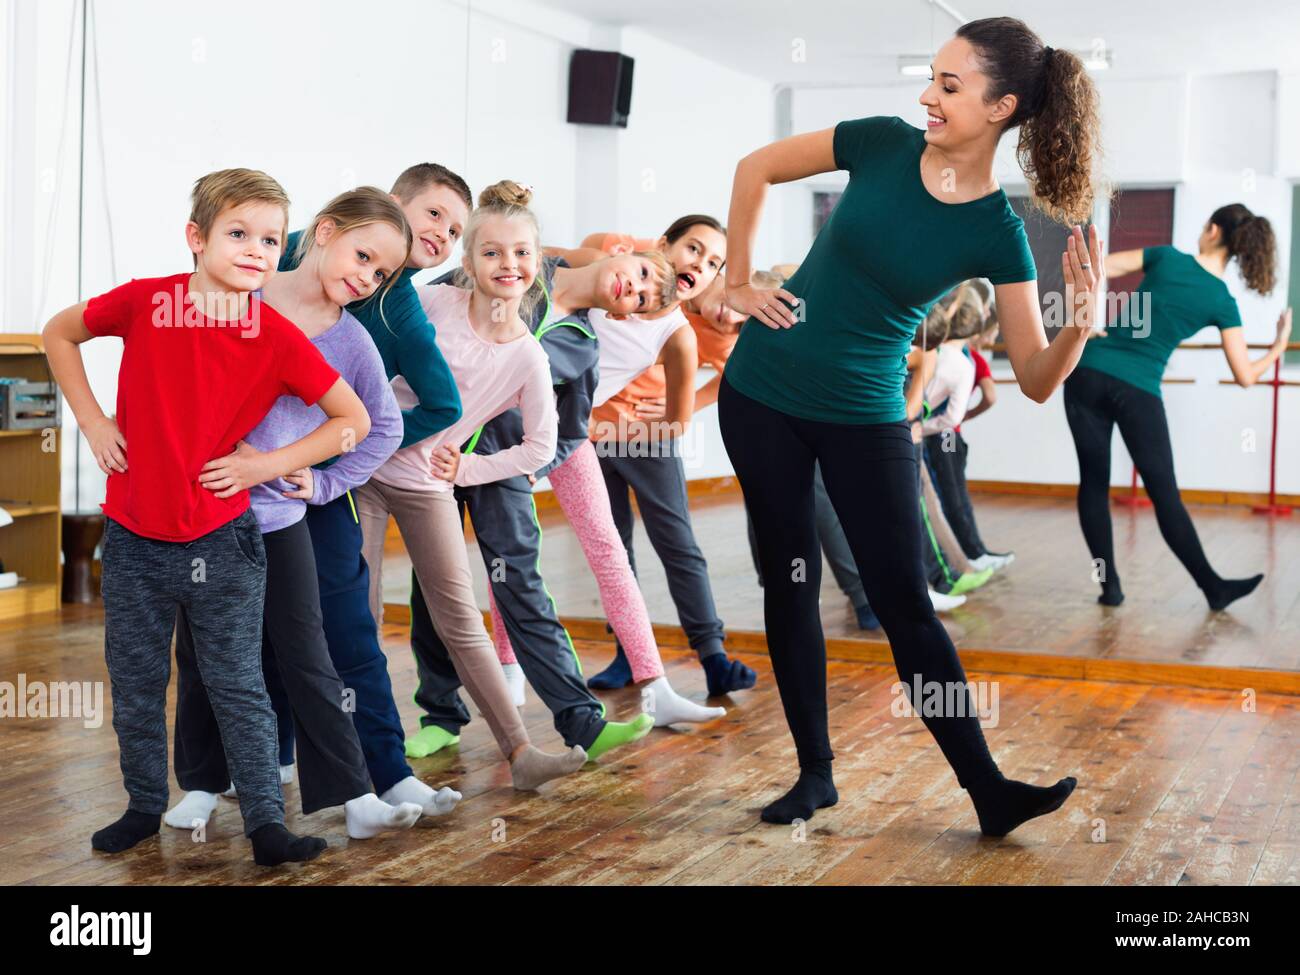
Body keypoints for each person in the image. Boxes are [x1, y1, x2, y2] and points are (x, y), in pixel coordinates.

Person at [717, 16, 1103, 835]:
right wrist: (739, 281)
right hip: (761, 392)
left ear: (1000, 107)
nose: (927, 96)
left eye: (950, 86)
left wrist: (1082, 324)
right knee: (789, 580)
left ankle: (987, 789)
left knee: (906, 601)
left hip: (864, 412)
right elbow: (757, 168)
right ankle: (814, 773)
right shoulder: (882, 142)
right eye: (930, 77)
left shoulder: (997, 230)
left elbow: (1035, 379)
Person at [44, 169, 370, 864]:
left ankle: (264, 826)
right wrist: (94, 420)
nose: (257, 249)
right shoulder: (144, 302)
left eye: (271, 239)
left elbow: (354, 420)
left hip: (222, 542)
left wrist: (265, 465)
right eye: (239, 233)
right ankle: (140, 804)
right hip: (132, 539)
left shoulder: (275, 336)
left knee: (236, 684)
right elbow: (58, 332)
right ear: (197, 237)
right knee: (136, 682)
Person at [1064, 203, 1292, 608]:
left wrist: (1085, 318)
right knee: (1165, 495)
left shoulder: (1166, 257)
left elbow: (1099, 266)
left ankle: (1110, 587)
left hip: (1089, 372)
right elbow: (1244, 375)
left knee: (1093, 484)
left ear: (1212, 230)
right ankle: (1213, 587)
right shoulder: (1222, 301)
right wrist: (1276, 347)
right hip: (1139, 389)